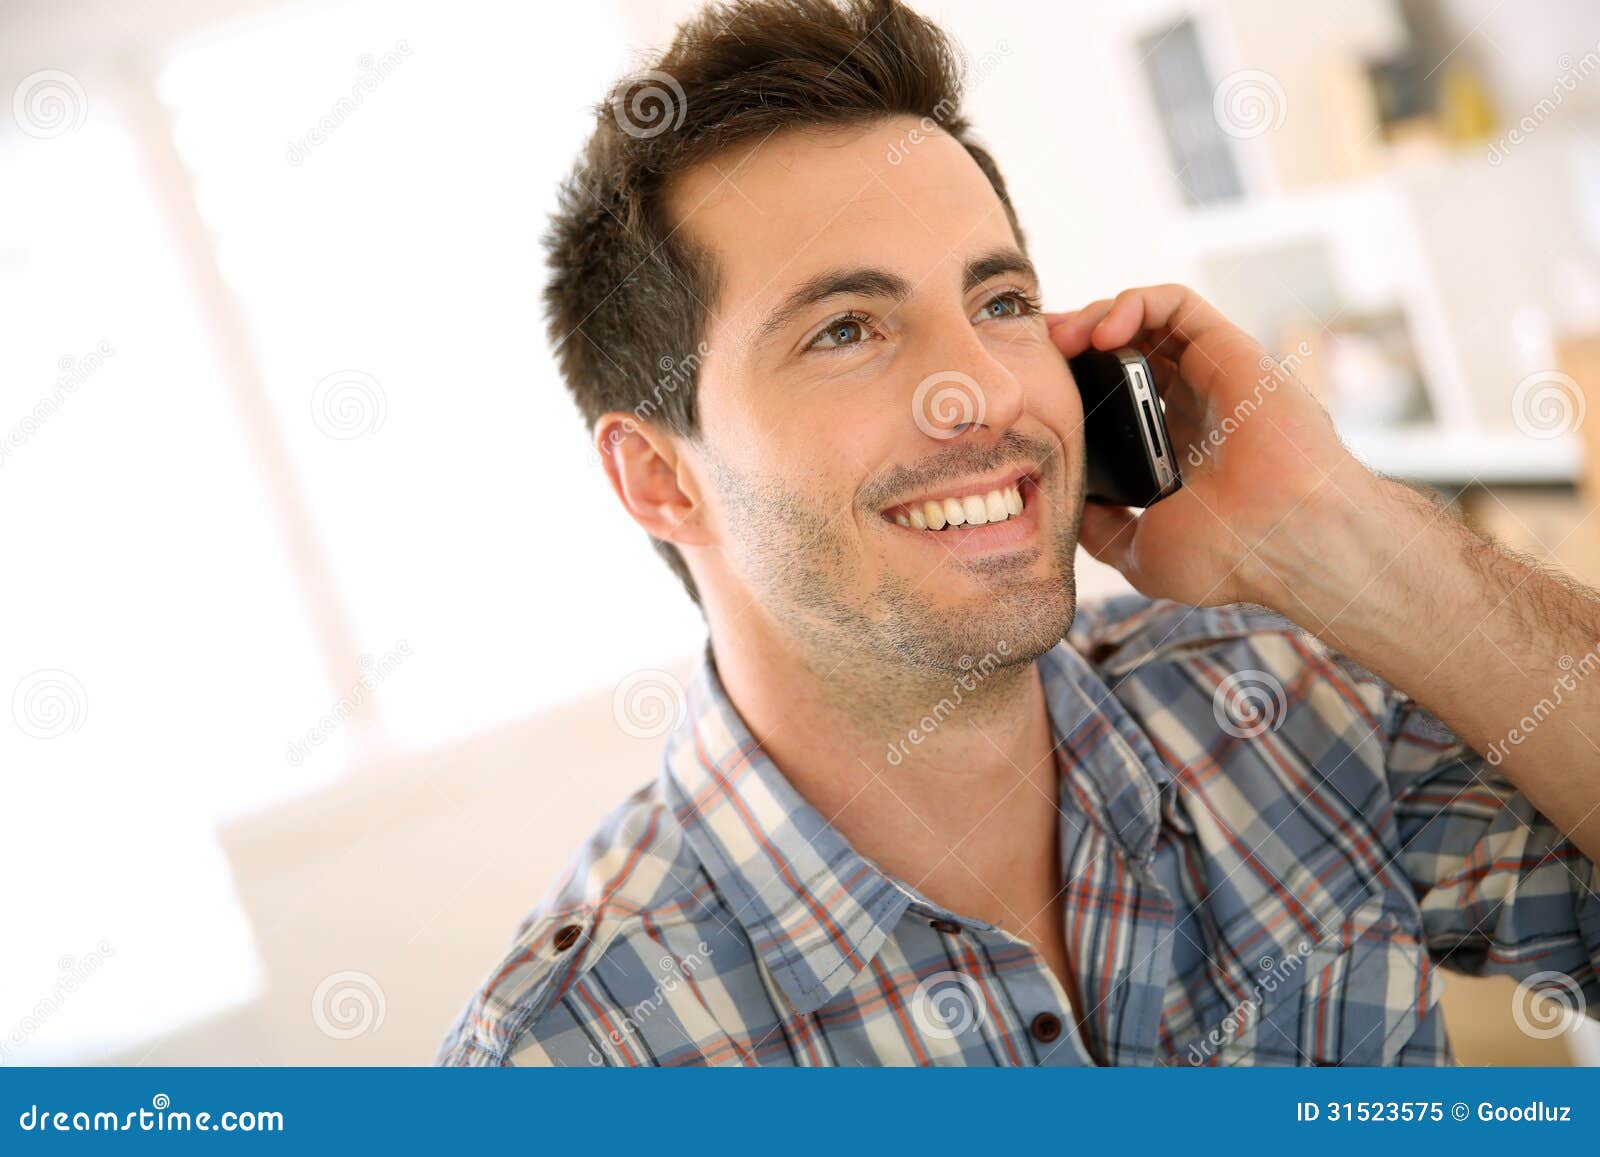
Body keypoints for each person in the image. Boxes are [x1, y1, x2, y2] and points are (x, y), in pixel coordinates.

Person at [438, 0, 1600, 1066]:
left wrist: (1343, 528)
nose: (983, 394)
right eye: (847, 328)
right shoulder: (569, 1059)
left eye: (998, 303)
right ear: (658, 477)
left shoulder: (1283, 701)